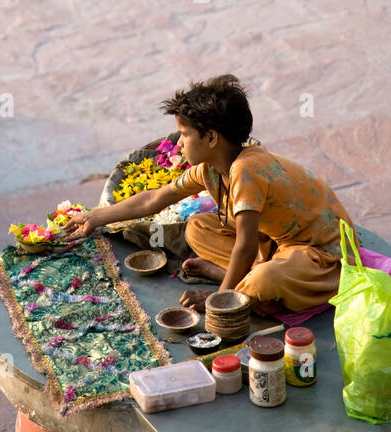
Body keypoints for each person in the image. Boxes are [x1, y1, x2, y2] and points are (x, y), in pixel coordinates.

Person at [65, 74, 361, 318]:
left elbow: (245, 246)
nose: (178, 143)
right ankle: (238, 284)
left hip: (322, 254)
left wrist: (218, 302)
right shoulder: (210, 168)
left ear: (210, 138)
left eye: (184, 134)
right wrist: (93, 217)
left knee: (265, 280)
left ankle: (235, 290)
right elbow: (153, 200)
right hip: (274, 244)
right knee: (198, 228)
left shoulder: (247, 170)